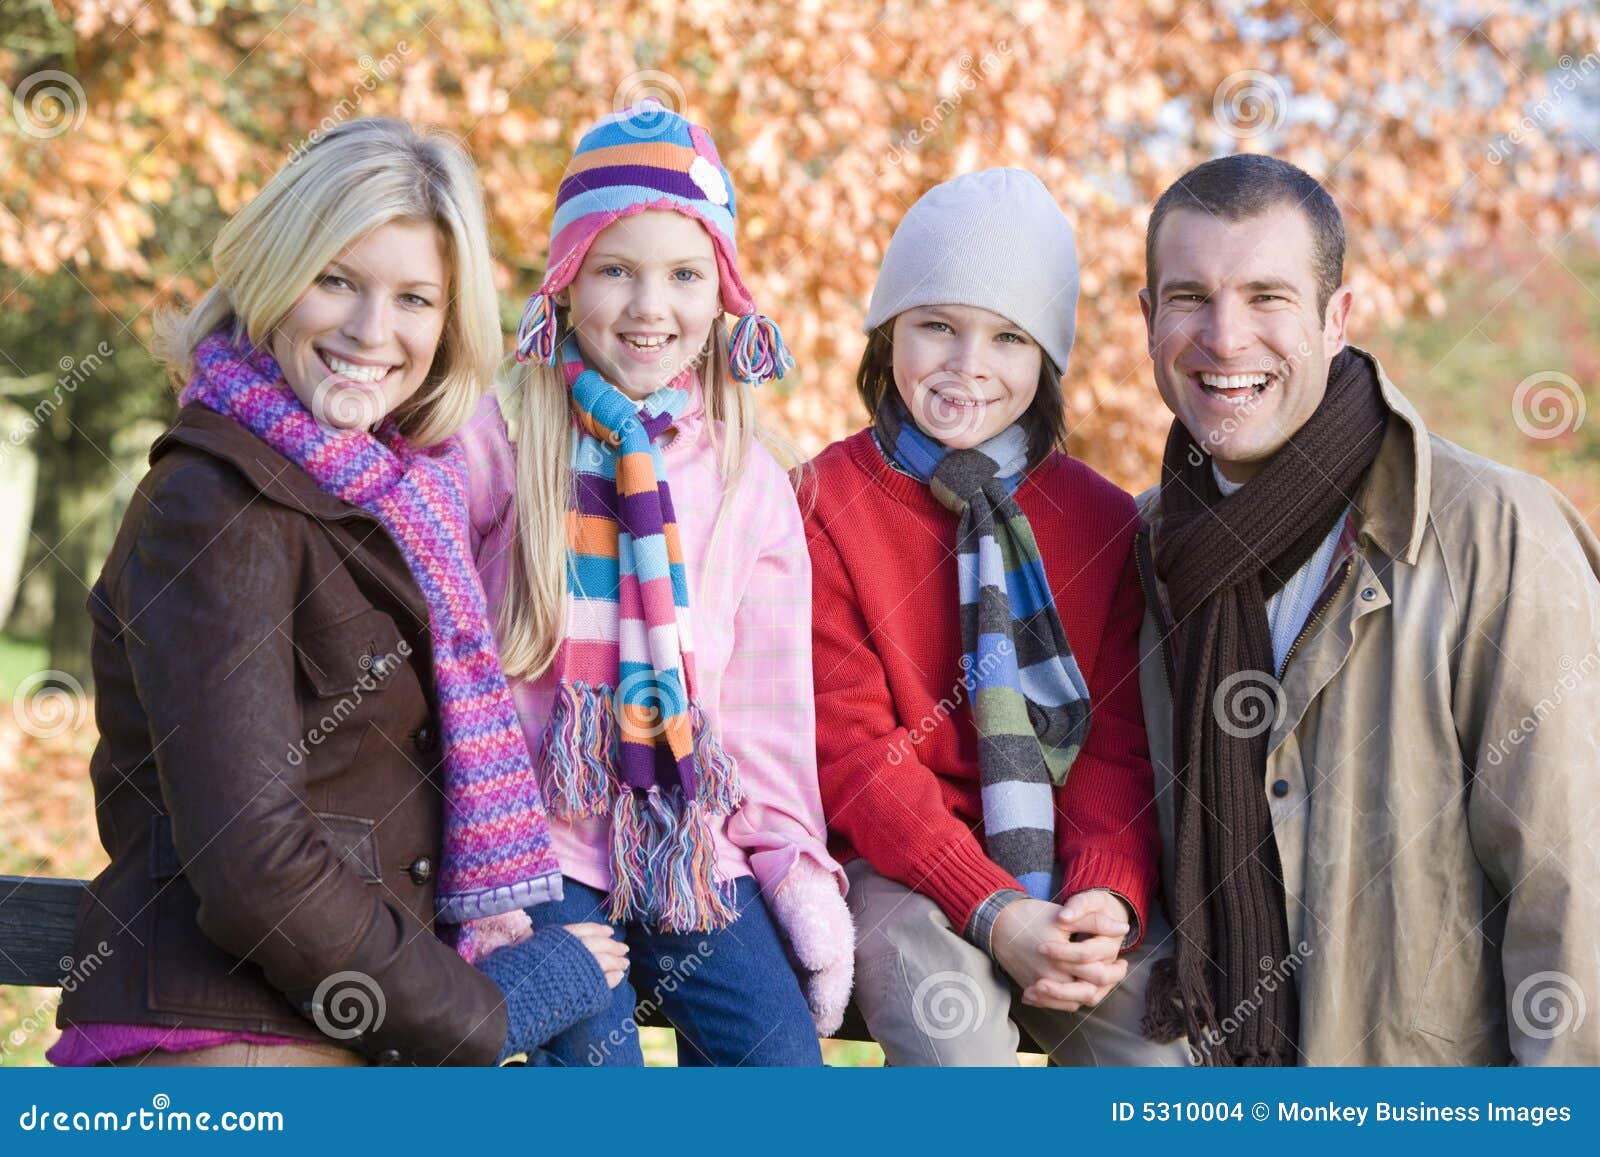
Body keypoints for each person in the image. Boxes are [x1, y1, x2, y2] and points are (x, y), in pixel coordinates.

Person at [51, 118, 625, 1068]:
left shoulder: (399, 494)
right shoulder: (217, 502)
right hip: (231, 1039)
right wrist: (478, 1011)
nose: (372, 331)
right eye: (337, 281)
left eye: (414, 298)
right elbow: (252, 863)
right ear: (275, 279)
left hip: (335, 1032)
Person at [1134, 153, 1600, 1065]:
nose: (1225, 338)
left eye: (1268, 296)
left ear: (1337, 317)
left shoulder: (1494, 535)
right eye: (1190, 297)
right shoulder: (1141, 551)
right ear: (1149, 322)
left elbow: (1573, 887)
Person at [460, 101, 852, 1067]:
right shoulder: (500, 446)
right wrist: (487, 889)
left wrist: (795, 873)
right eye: (616, 270)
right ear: (564, 283)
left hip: (687, 846)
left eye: (684, 274)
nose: (651, 307)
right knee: (596, 1068)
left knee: (782, 1064)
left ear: (722, 295)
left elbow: (765, 719)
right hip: (538, 852)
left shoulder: (746, 480)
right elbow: (446, 669)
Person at [803, 167, 1184, 1066]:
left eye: (1009, 337)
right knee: (952, 1035)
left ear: (1046, 361)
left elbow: (1115, 740)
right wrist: (993, 906)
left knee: (1163, 1049)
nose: (969, 364)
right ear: (887, 328)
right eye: (938, 323)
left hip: (1060, 860)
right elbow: (850, 752)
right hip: (896, 862)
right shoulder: (824, 501)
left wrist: (1106, 894)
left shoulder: (1098, 518)